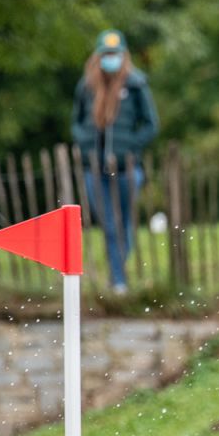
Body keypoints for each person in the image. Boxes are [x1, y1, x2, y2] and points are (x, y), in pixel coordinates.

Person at [71, 29, 159, 293]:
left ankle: (118, 274)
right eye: (107, 54)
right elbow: (76, 122)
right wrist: (86, 145)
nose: (111, 59)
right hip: (95, 170)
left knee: (125, 224)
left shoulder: (135, 85)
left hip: (126, 169)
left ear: (124, 55)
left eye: (116, 54)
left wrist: (130, 146)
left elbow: (151, 124)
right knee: (109, 225)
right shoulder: (86, 87)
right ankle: (119, 281)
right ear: (98, 56)